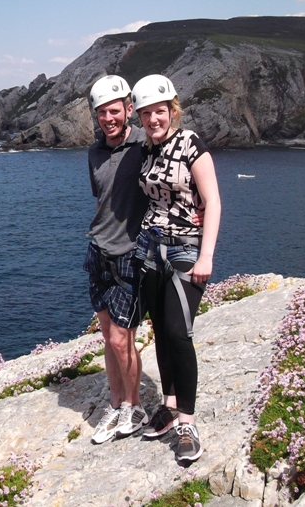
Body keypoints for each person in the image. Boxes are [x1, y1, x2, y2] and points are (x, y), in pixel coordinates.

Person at [131, 74, 221, 462]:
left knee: (177, 332)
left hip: (186, 249)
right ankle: (168, 404)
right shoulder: (146, 150)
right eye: (146, 113)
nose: (153, 119)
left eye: (159, 111)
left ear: (172, 110)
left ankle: (187, 421)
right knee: (160, 334)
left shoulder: (191, 144)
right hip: (149, 250)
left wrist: (207, 257)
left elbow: (213, 202)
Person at [84, 75, 150, 444]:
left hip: (129, 254)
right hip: (98, 250)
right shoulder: (94, 152)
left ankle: (134, 405)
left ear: (128, 109)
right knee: (108, 338)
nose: (108, 118)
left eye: (114, 111)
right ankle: (115, 403)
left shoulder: (145, 144)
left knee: (124, 340)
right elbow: (101, 198)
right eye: (101, 113)